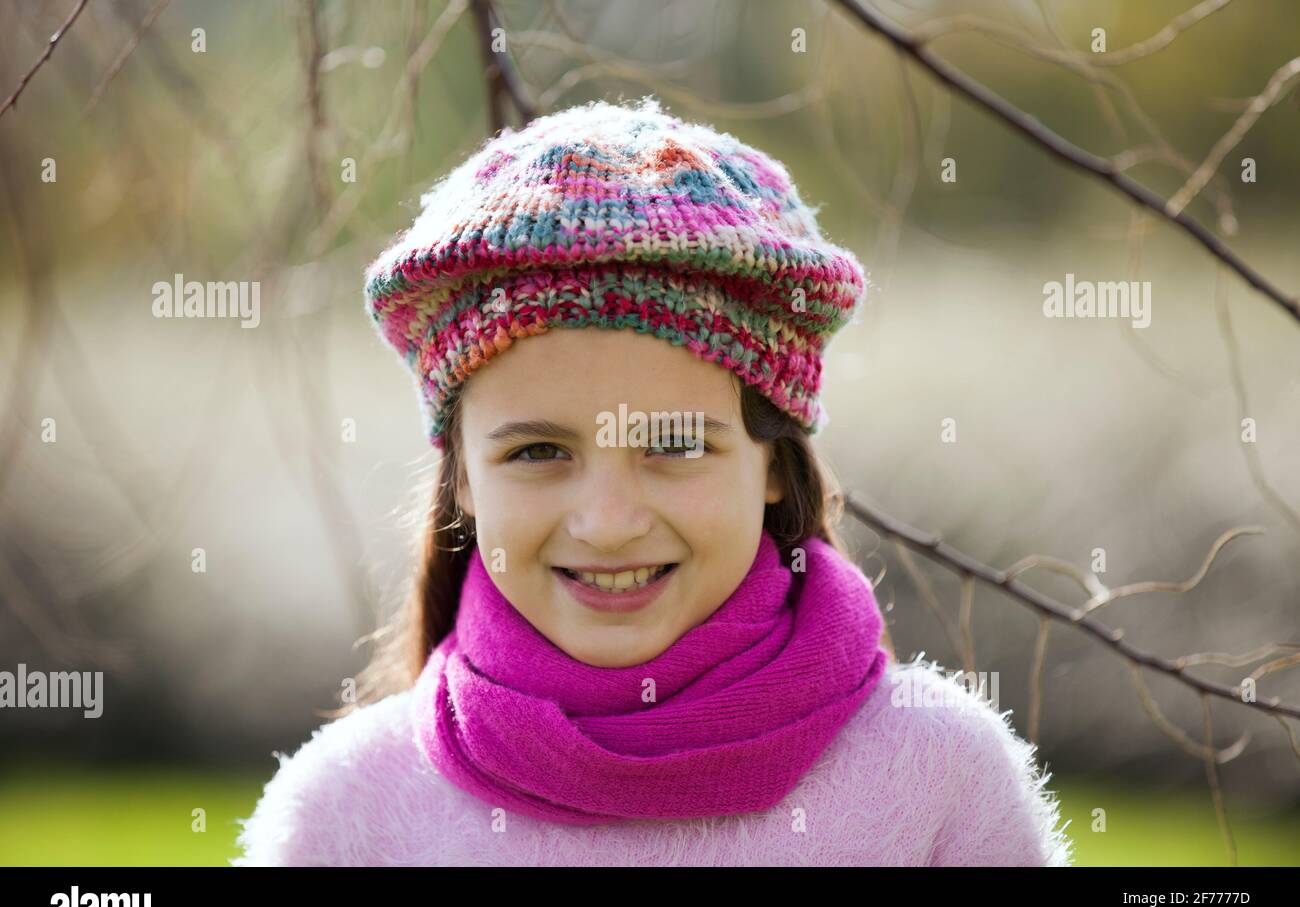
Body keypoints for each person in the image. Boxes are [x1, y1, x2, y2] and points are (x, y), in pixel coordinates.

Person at [232, 96, 1073, 866]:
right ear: (460, 483)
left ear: (774, 465)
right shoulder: (344, 819)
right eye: (537, 452)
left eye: (672, 445)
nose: (606, 522)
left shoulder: (940, 785)